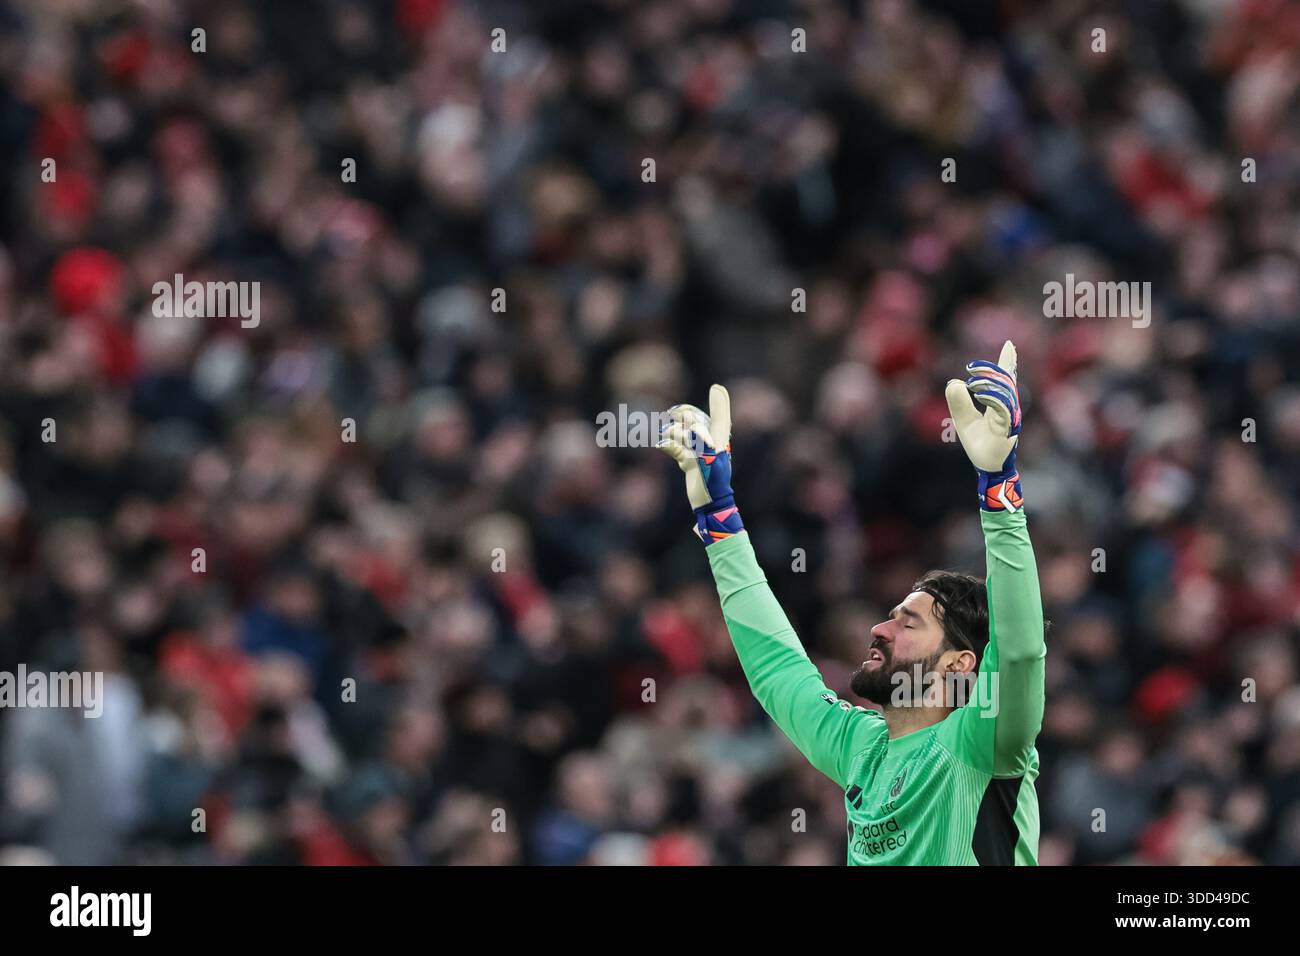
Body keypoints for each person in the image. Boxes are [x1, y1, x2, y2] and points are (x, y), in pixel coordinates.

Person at [657, 342, 1046, 864]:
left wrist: (999, 489)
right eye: (890, 618)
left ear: (960, 663)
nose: (880, 631)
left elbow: (1019, 652)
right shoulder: (860, 747)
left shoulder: (982, 739)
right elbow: (777, 669)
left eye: (908, 624)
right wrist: (718, 518)